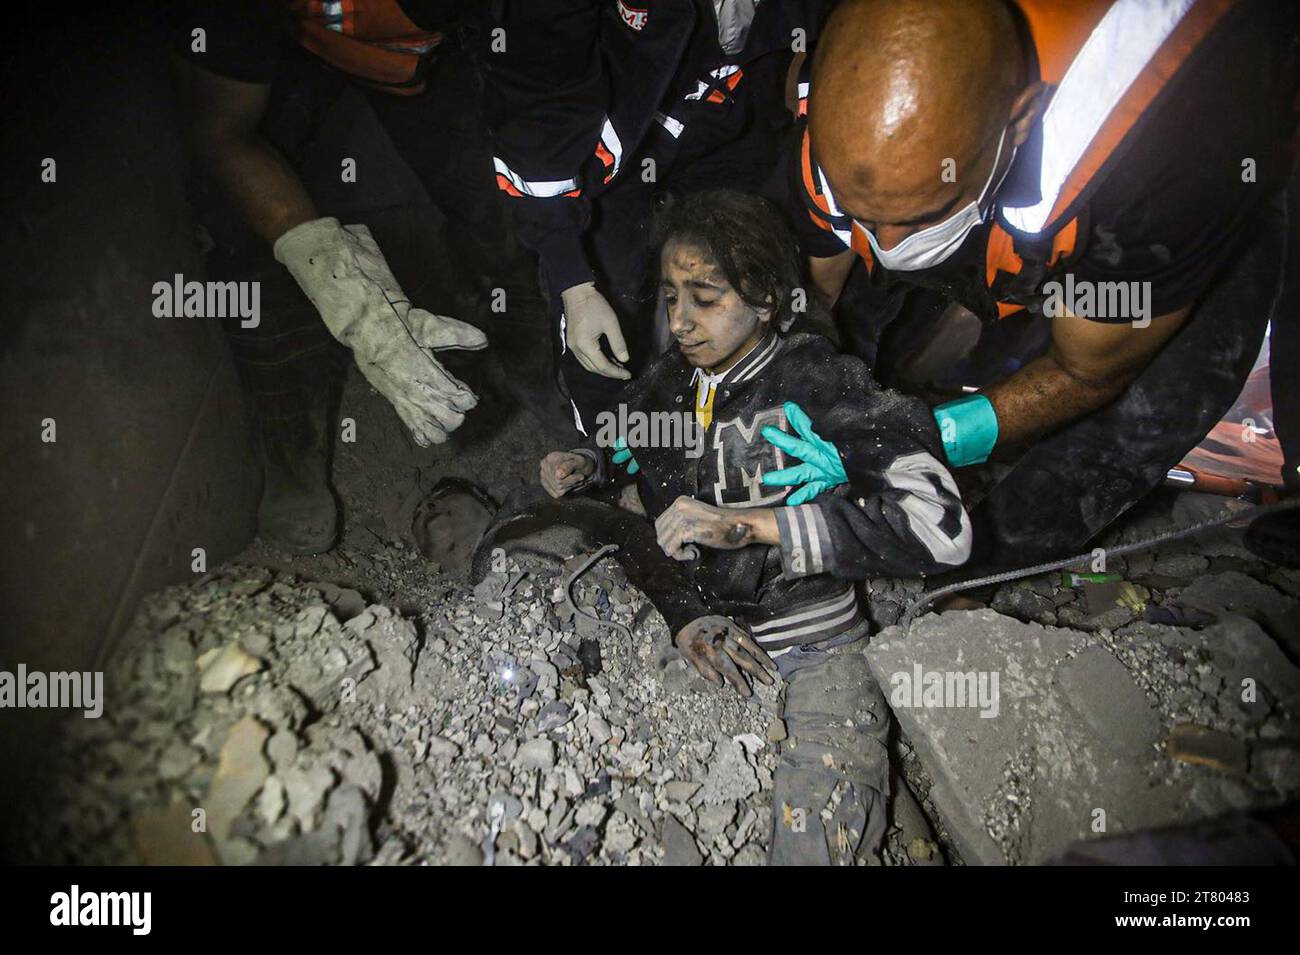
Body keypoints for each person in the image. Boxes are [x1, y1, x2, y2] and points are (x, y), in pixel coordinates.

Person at [772, 0, 1299, 574]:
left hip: (1205, 159)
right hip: (984, 178)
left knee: (1162, 397)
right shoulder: (839, 105)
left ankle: (980, 575)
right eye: (860, 214)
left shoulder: (1175, 161)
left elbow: (1086, 372)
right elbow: (819, 292)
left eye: (923, 216)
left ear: (1020, 120)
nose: (889, 243)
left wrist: (918, 436)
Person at [539, 190, 972, 863]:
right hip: (705, 638)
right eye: (670, 296)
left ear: (767, 298)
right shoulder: (666, 384)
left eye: (704, 297)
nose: (680, 321)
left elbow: (943, 530)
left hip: (816, 643)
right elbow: (624, 447)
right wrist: (584, 461)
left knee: (815, 828)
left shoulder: (822, 384)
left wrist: (760, 526)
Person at [171, 0, 552, 553]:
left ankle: (532, 355)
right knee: (242, 231)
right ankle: (292, 439)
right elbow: (220, 132)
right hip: (290, 49)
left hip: (429, 58)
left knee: (495, 189)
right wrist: (345, 292)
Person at [479, 0, 834, 434]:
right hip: (606, 152)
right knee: (605, 313)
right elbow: (538, 113)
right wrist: (572, 277)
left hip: (730, 127)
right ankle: (610, 453)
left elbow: (834, 46)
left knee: (749, 281)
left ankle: (737, 432)